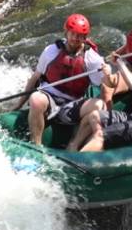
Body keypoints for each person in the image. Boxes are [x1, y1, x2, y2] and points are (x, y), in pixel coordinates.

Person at [11, 14, 106, 145]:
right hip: (49, 99)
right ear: (66, 32)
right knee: (36, 98)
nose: (75, 38)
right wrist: (19, 104)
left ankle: (74, 144)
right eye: (72, 34)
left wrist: (108, 74)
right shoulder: (51, 51)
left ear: (85, 38)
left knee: (100, 105)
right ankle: (37, 145)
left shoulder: (92, 58)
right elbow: (35, 78)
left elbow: (106, 84)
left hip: (73, 104)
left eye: (80, 36)